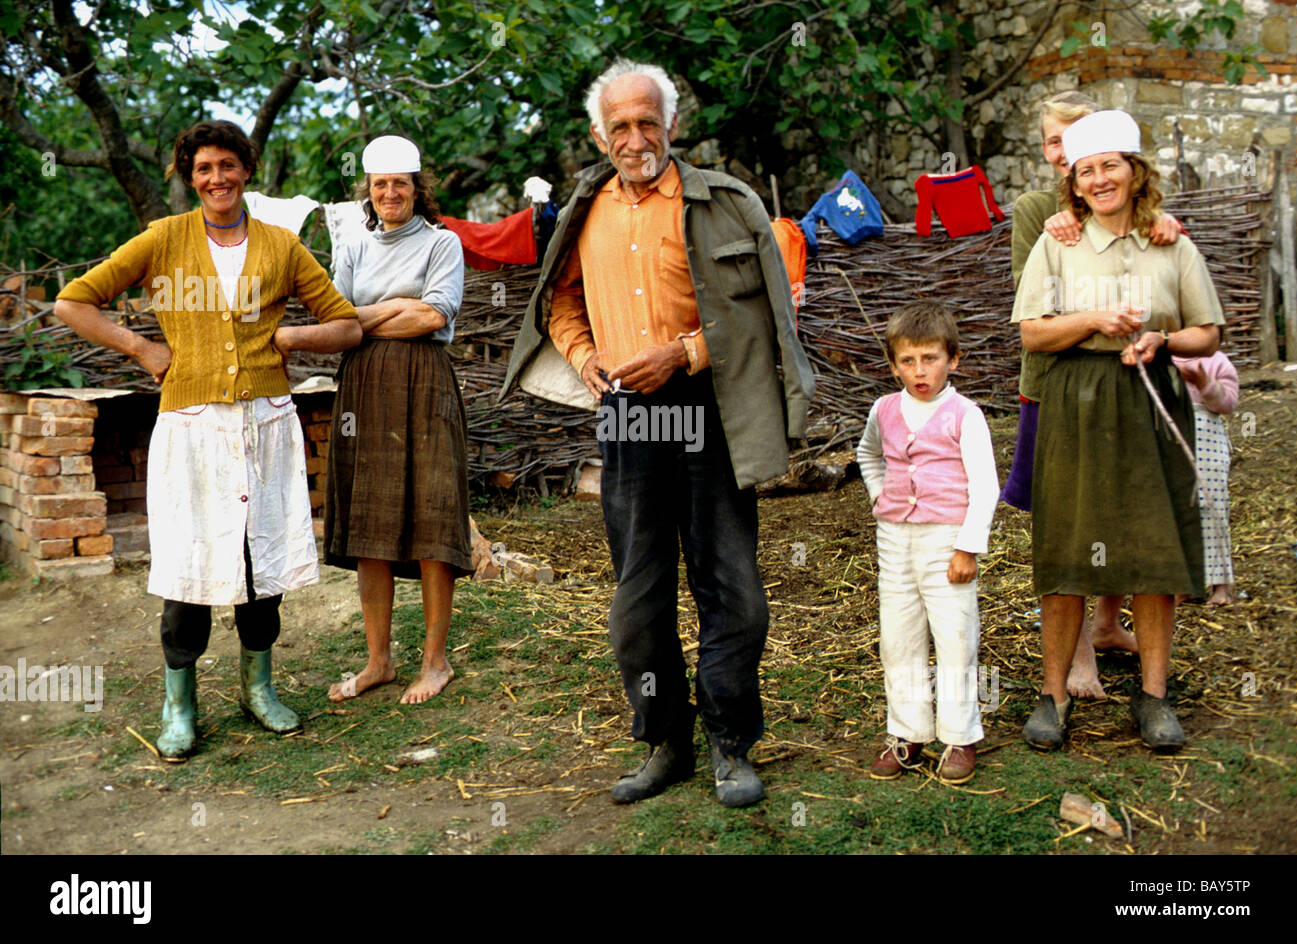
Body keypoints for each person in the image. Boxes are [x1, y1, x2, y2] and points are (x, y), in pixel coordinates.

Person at [502, 59, 815, 807]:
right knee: (638, 597)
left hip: (712, 409)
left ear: (671, 125)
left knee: (732, 588)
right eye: (621, 126)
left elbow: (766, 315)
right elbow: (560, 305)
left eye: (648, 121)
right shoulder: (584, 210)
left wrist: (683, 352)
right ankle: (664, 740)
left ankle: (731, 744)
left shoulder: (727, 205)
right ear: (598, 134)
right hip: (631, 419)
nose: (636, 137)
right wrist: (588, 361)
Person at [53, 120, 362, 760]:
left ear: (247, 169)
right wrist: (142, 348)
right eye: (203, 170)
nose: (216, 178)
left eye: (227, 165)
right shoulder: (164, 239)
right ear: (190, 179)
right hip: (193, 429)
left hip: (267, 425)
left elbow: (346, 326)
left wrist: (293, 339)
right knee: (189, 564)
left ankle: (258, 688)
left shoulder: (281, 246)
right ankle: (179, 704)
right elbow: (72, 303)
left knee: (261, 563)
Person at [1012, 110, 1224, 754]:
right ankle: (1053, 695)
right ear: (1073, 183)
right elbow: (1033, 332)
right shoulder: (1059, 243)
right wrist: (1093, 320)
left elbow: (1207, 333)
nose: (1100, 179)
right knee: (1069, 548)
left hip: (1150, 396)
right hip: (1075, 400)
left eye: (1111, 166)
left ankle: (1155, 697)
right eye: (1086, 171)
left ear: (1135, 172)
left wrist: (1162, 338)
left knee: (1154, 549)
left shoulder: (1170, 242)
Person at [323, 135, 472, 706]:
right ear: (370, 191)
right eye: (380, 185)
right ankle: (378, 661)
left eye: (400, 185)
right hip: (363, 390)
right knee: (371, 523)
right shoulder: (354, 245)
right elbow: (338, 320)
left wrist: (369, 317)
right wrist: (392, 311)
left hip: (425, 384)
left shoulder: (443, 244)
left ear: (417, 189)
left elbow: (435, 314)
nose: (390, 194)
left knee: (433, 516)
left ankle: (435, 662)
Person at [856, 303, 999, 785]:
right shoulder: (884, 410)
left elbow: (985, 486)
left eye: (931, 358)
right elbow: (868, 454)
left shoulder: (965, 415)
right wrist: (879, 495)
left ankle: (959, 735)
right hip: (895, 542)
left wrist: (968, 548)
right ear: (894, 364)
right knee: (899, 640)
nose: (920, 371)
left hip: (947, 541)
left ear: (952, 359)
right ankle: (908, 731)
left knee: (956, 639)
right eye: (909, 361)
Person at [1171, 348, 1239, 605]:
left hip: (1206, 438)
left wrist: (1204, 383)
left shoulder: (1217, 361)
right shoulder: (1159, 360)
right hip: (1168, 437)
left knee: (1211, 509)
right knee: (1175, 511)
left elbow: (1227, 404)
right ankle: (1185, 584)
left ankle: (1222, 585)